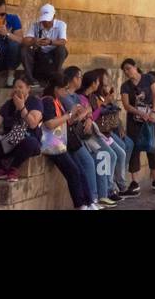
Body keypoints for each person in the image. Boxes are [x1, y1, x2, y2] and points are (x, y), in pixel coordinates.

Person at [35, 73, 98, 209]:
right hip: (52, 145)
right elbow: (50, 123)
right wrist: (69, 114)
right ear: (56, 88)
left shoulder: (57, 100)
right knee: (73, 172)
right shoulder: (48, 100)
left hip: (61, 142)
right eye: (64, 89)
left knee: (79, 170)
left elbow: (66, 121)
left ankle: (89, 201)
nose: (65, 92)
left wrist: (76, 114)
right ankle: (80, 204)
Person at [60, 66, 119, 207]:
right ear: (71, 79)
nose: (80, 79)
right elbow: (78, 115)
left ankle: (104, 193)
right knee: (95, 160)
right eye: (78, 77)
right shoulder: (70, 96)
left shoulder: (78, 97)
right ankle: (95, 197)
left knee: (106, 155)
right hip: (76, 136)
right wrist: (89, 112)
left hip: (88, 133)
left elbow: (87, 114)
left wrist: (88, 116)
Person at [0, 74, 42, 183]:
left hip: (25, 142)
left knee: (31, 142)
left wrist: (22, 107)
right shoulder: (9, 104)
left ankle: (13, 168)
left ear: (28, 89)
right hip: (8, 141)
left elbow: (33, 124)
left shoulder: (35, 102)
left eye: (20, 87)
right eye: (15, 87)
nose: (17, 90)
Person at [81, 68, 130, 197]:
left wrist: (106, 103)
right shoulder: (85, 98)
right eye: (101, 80)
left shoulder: (93, 96)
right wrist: (103, 104)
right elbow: (94, 114)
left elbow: (94, 113)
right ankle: (108, 190)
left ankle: (116, 186)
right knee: (111, 155)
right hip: (92, 135)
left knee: (122, 151)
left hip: (103, 131)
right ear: (94, 83)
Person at [120, 58, 155, 193]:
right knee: (135, 150)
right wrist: (139, 112)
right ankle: (134, 182)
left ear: (135, 66)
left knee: (153, 147)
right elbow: (126, 105)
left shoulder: (148, 78)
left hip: (150, 119)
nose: (127, 72)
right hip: (135, 121)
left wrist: (154, 110)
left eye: (128, 68)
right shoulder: (125, 86)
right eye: (124, 70)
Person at [21, 3, 68, 87]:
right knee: (25, 49)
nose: (46, 23)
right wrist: (34, 41)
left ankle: (56, 74)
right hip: (39, 54)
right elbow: (25, 40)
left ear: (54, 17)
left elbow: (63, 41)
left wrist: (50, 42)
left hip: (53, 54)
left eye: (48, 20)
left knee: (62, 49)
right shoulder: (35, 25)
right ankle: (30, 78)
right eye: (44, 21)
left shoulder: (61, 25)